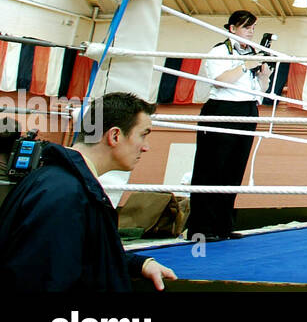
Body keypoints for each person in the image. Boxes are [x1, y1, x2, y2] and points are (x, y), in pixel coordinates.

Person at [0, 92, 177, 291]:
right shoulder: (66, 195)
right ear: (115, 135)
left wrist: (136, 264)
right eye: (143, 134)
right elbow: (43, 279)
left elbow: (73, 251)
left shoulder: (62, 183)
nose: (146, 147)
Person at [185, 10, 269, 242]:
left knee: (234, 169)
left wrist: (264, 75)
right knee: (211, 169)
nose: (250, 32)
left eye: (253, 28)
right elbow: (220, 81)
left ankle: (223, 225)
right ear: (232, 28)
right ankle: (200, 229)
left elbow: (258, 91)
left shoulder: (253, 53)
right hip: (222, 109)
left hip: (247, 110)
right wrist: (244, 65)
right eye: (245, 27)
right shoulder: (219, 51)